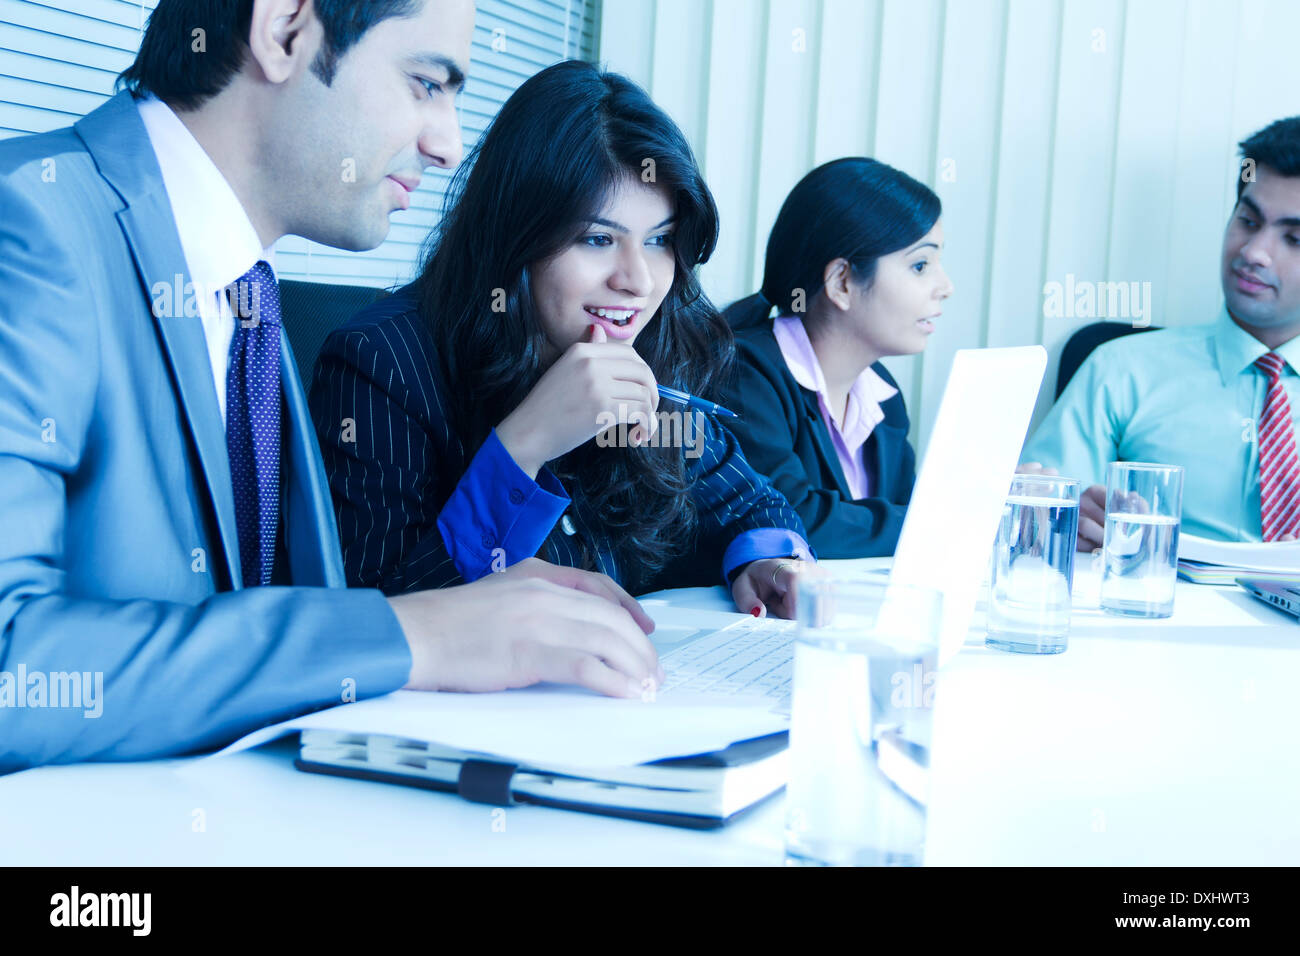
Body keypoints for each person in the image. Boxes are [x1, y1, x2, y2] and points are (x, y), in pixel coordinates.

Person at [0, 0, 665, 775]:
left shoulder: (242, 291)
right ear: (284, 31)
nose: (448, 145)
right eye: (426, 83)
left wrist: (459, 617)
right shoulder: (30, 223)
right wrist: (415, 634)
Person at [310, 60, 814, 616]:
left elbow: (753, 505)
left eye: (659, 240)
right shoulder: (385, 364)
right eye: (599, 240)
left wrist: (768, 564)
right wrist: (525, 444)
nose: (638, 282)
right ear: (514, 239)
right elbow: (374, 617)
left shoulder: (652, 348)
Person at [1024, 117, 1300, 548]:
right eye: (1248, 220)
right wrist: (1064, 522)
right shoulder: (1119, 368)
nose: (1254, 253)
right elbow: (1036, 515)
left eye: (1294, 239)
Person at [717, 158, 953, 558]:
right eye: (920, 265)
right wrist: (945, 522)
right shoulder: (745, 375)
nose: (944, 287)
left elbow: (899, 519)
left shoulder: (883, 395)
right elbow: (790, 521)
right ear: (842, 282)